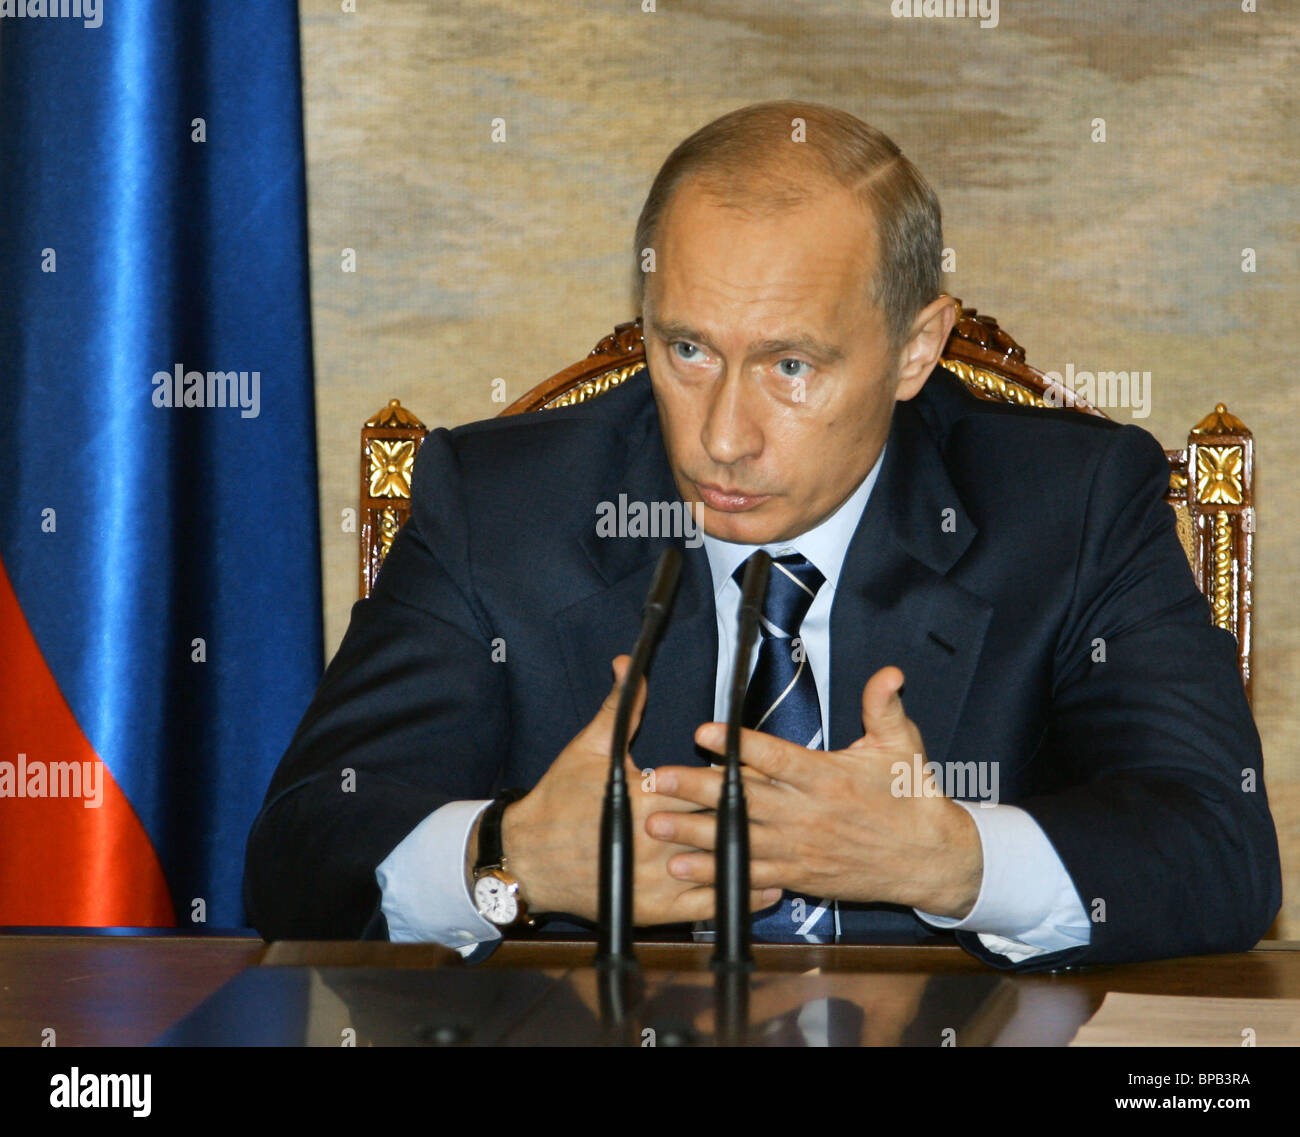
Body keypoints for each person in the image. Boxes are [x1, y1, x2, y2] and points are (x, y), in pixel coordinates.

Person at [244, 101, 1281, 972]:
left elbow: (1219, 846)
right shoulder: (502, 504)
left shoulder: (1069, 502)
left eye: (792, 366)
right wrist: (504, 858)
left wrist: (951, 861)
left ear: (916, 348)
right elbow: (299, 853)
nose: (723, 438)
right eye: (687, 349)